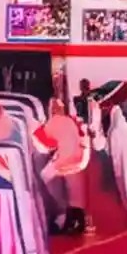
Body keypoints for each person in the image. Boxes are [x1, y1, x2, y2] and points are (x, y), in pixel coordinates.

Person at [36, 99, 90, 234]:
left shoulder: (53, 122)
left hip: (63, 161)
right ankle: (75, 221)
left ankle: (55, 214)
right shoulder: (70, 121)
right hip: (78, 159)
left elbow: (45, 145)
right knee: (74, 193)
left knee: (42, 179)